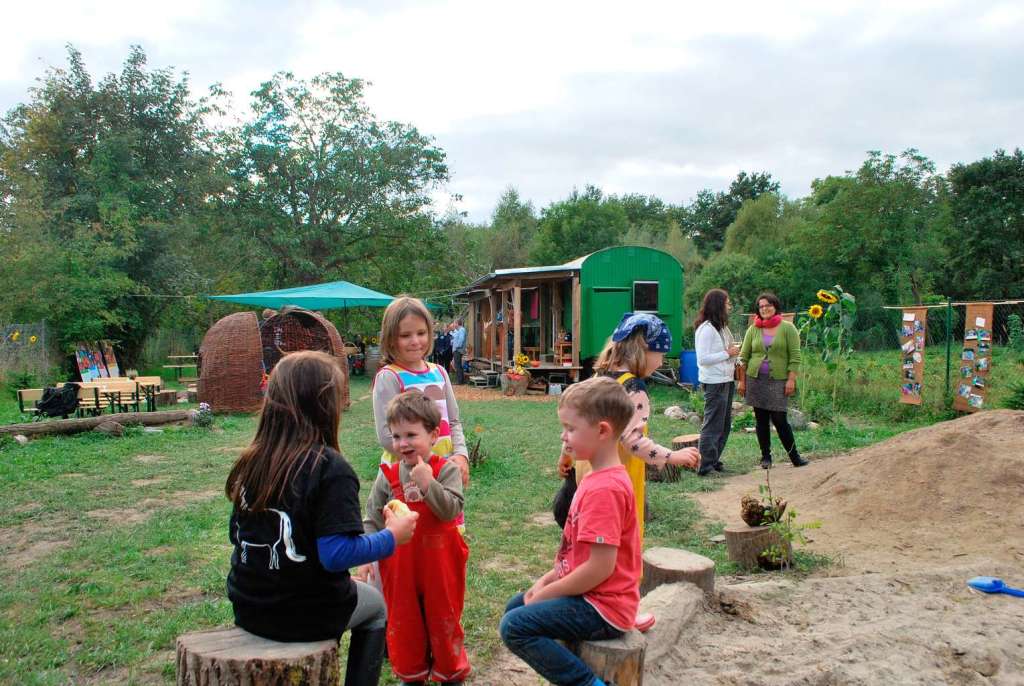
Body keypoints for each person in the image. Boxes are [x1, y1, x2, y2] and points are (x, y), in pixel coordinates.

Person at [225, 351, 418, 686]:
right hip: (304, 615)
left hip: (248, 608)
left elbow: (236, 535)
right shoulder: (329, 468)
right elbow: (336, 555)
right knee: (376, 608)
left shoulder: (250, 462)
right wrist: (391, 536)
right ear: (324, 407)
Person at [501, 377, 641, 686]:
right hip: (589, 596)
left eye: (570, 429)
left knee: (514, 626)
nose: (564, 438)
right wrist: (544, 582)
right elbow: (574, 558)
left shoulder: (605, 490)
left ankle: (587, 683)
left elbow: (600, 568)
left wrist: (549, 593)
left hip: (604, 607)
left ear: (602, 431)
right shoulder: (592, 476)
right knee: (517, 606)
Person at [562, 313, 699, 544]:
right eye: (661, 354)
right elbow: (632, 441)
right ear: (643, 350)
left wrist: (565, 455)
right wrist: (673, 456)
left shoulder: (598, 377)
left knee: (591, 536)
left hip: (587, 473)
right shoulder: (634, 388)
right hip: (618, 479)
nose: (662, 362)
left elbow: (576, 424)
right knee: (620, 541)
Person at [362, 391, 470, 685]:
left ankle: (450, 672)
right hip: (400, 565)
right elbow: (372, 517)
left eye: (411, 434)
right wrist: (367, 557)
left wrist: (427, 483)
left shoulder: (446, 470)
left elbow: (450, 511)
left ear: (434, 434)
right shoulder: (388, 474)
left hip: (440, 562)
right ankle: (411, 673)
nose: (403, 443)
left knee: (443, 616)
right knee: (404, 618)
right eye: (396, 436)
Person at [738, 292, 809, 469]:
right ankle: (766, 458)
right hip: (755, 380)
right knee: (761, 420)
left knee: (780, 419)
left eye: (768, 305)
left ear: (775, 306)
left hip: (778, 380)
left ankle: (795, 456)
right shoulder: (753, 329)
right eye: (761, 306)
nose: (764, 309)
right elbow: (743, 356)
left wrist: (791, 380)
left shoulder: (787, 328)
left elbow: (795, 356)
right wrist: (742, 381)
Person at [694, 288, 741, 475]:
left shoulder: (720, 327)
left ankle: (713, 460)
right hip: (714, 381)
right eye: (727, 302)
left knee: (724, 424)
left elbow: (726, 349)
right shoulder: (706, 329)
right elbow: (703, 359)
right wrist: (727, 353)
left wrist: (732, 353)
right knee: (712, 424)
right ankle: (704, 465)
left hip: (725, 379)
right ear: (718, 304)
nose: (729, 306)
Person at [449, 318, 467, 385]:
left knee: (457, 365)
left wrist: (456, 347)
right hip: (457, 350)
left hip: (458, 350)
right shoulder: (459, 330)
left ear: (457, 323)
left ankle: (460, 381)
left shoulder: (462, 330)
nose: (453, 324)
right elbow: (456, 339)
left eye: (454, 323)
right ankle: (460, 380)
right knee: (458, 365)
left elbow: (461, 339)